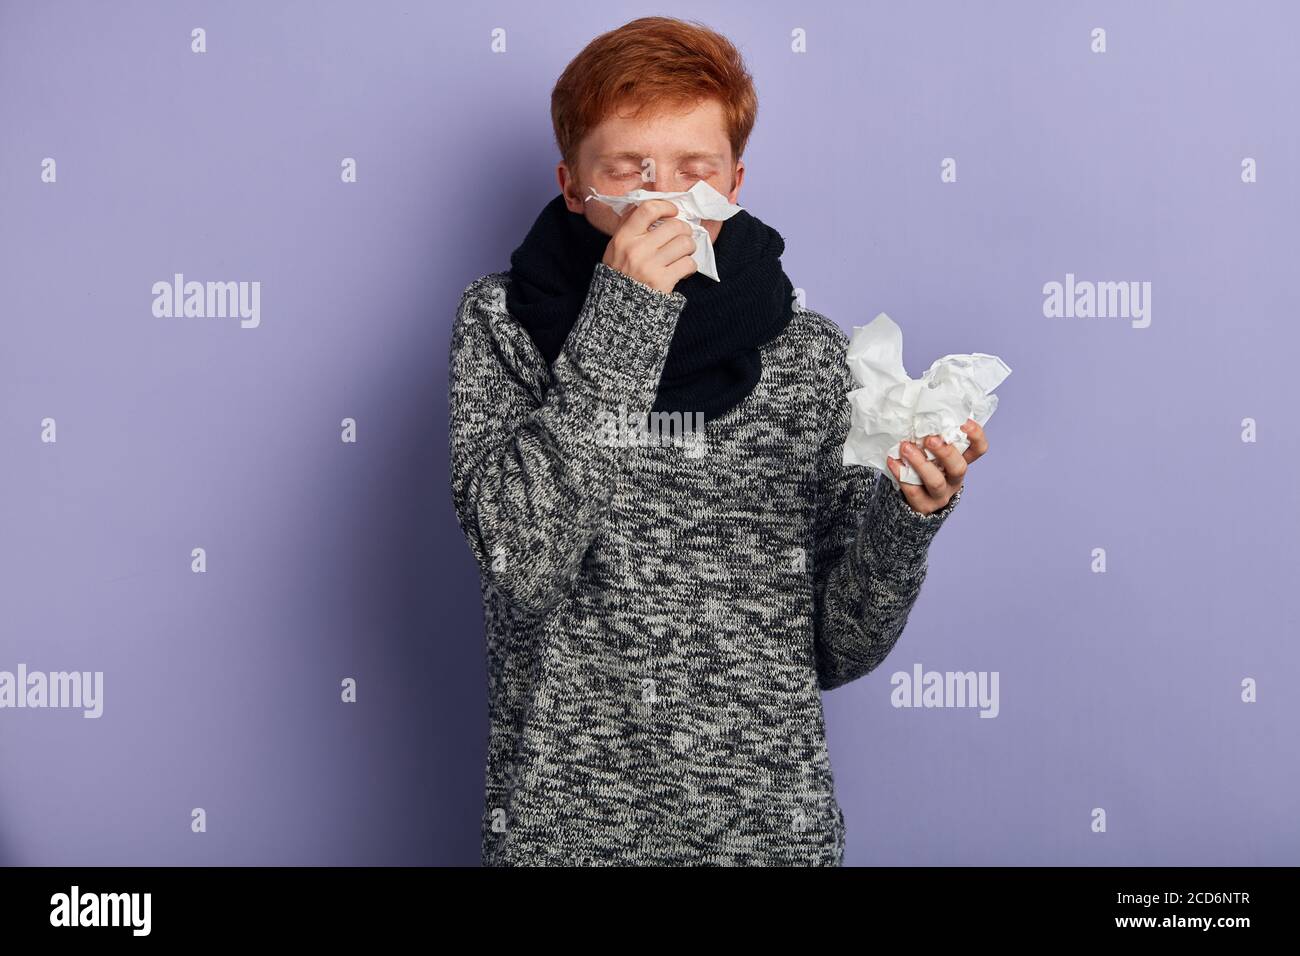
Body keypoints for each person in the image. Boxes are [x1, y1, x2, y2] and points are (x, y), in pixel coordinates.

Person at [448, 15, 989, 866]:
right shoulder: (501, 326)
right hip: (565, 837)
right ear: (573, 185)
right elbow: (523, 560)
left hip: (771, 834)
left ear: (735, 182)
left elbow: (838, 648)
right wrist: (626, 321)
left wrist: (906, 519)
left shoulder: (807, 354)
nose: (665, 196)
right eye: (629, 169)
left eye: (696, 171)